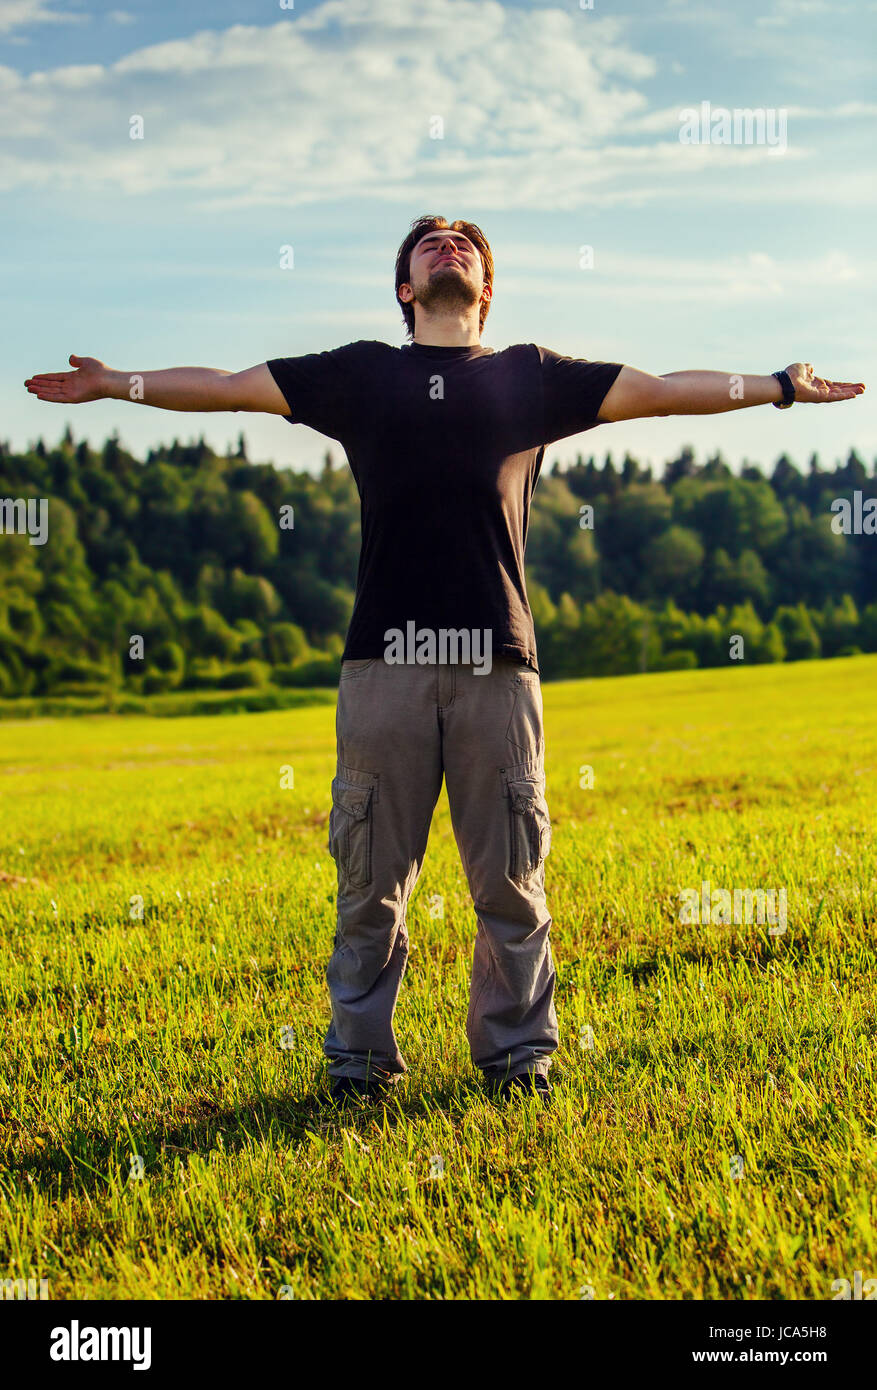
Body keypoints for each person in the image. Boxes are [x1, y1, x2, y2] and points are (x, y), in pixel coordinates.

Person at [24, 215, 865, 1108]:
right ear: (404, 288)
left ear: (486, 289)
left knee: (509, 879)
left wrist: (777, 385)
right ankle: (358, 1065)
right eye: (429, 241)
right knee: (370, 883)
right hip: (380, 665)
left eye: (466, 241)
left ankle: (516, 1059)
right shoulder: (361, 374)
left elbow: (660, 391)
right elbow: (230, 388)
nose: (449, 243)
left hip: (498, 665)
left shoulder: (527, 376)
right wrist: (120, 383)